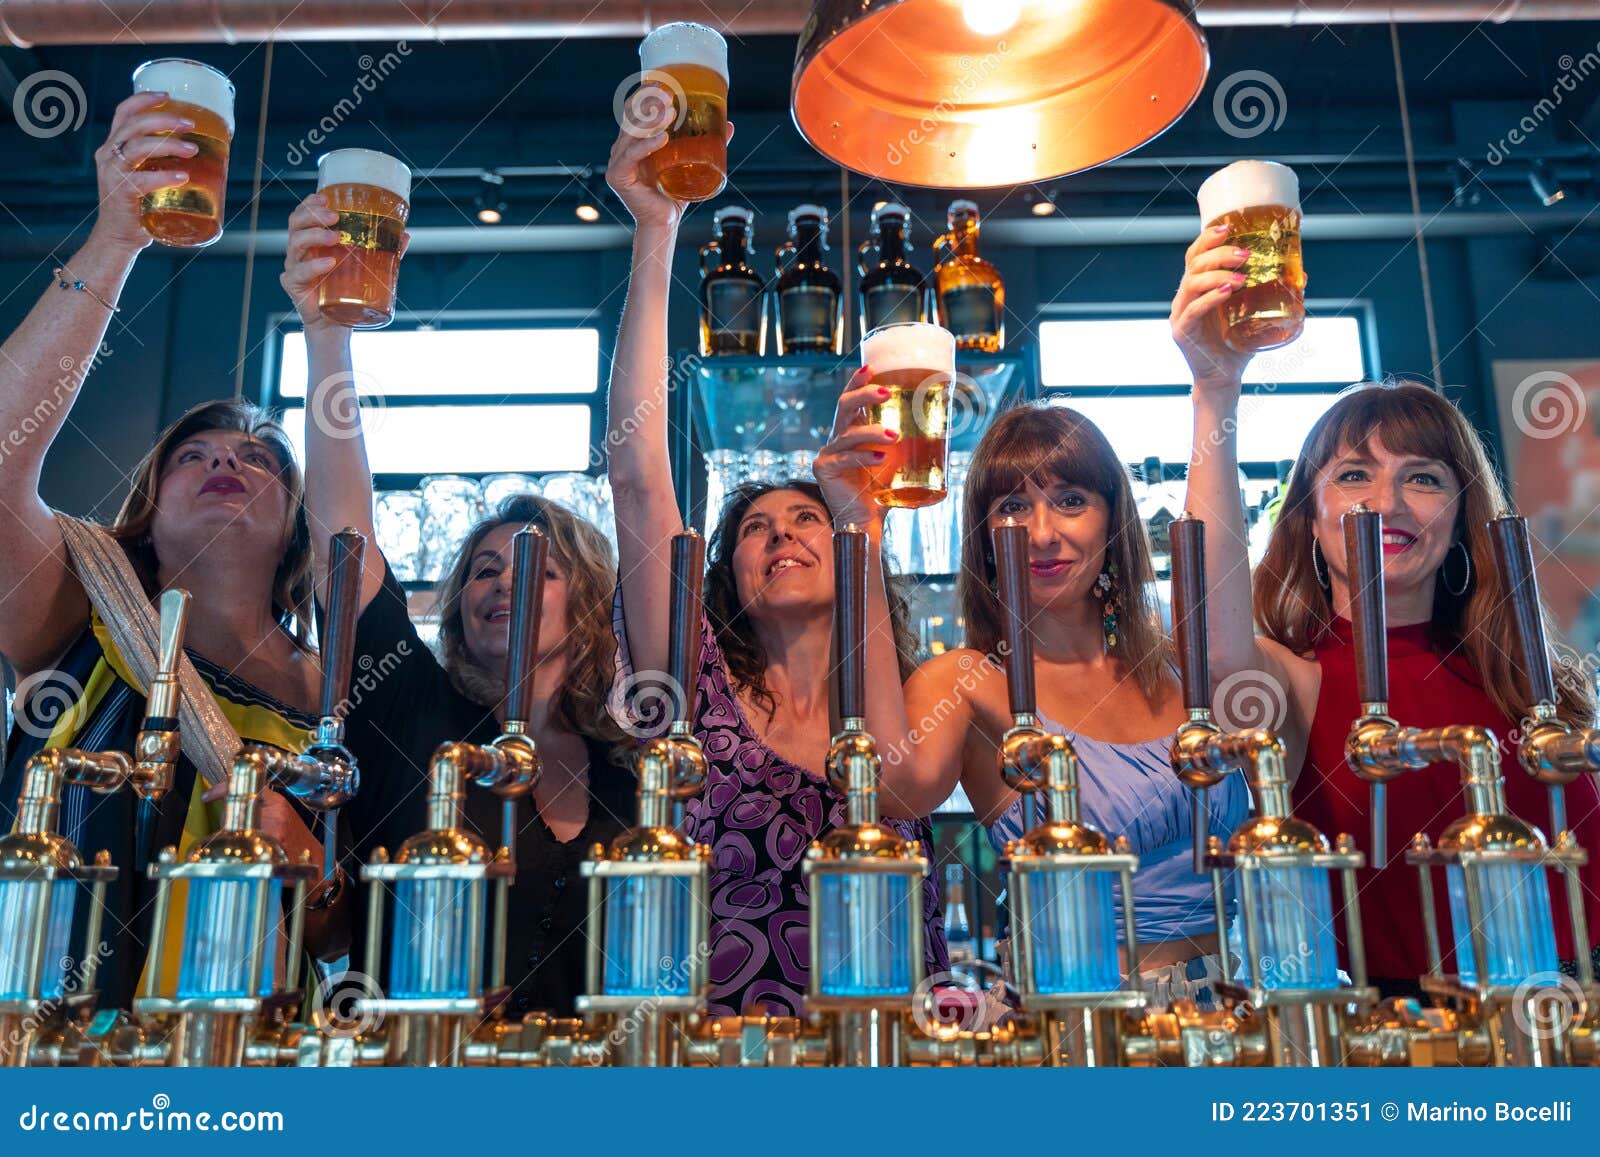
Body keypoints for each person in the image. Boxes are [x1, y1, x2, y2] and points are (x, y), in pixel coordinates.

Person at [1173, 223, 1600, 994]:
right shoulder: (1291, 679)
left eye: (1425, 477)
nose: (1389, 503)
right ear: (1305, 517)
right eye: (1354, 475)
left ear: (1464, 513)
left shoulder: (1526, 677)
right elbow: (1211, 642)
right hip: (1419, 1041)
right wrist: (1214, 389)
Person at [605, 96, 947, 1017]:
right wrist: (656, 228)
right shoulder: (692, 681)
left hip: (898, 1062)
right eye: (756, 528)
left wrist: (858, 515)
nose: (783, 534)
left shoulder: (903, 697)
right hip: (718, 1060)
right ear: (729, 581)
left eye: (807, 519)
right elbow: (636, 476)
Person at [0, 95, 330, 1010]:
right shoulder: (80, 608)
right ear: (144, 513)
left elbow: (337, 922)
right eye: (195, 454)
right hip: (45, 1053)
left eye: (259, 457)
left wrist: (318, 874)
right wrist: (116, 239)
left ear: (297, 527)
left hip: (248, 1066)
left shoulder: (326, 688)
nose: (227, 457)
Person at [280, 197, 635, 1016]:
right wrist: (327, 331)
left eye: (534, 569)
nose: (501, 583)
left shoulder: (627, 760)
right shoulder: (413, 706)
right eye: (481, 570)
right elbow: (346, 542)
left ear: (588, 604)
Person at [896, 404, 1249, 1009]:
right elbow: (894, 792)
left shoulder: (1182, 666)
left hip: (1220, 1013)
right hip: (1072, 1022)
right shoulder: (965, 681)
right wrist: (863, 521)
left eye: (1070, 500)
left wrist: (1215, 390)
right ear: (982, 538)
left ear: (1113, 521)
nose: (1041, 533)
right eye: (1011, 507)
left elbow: (1217, 562)